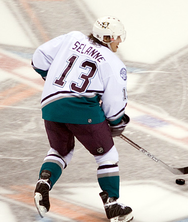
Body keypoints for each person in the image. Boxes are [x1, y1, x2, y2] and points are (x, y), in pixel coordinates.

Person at [32, 15, 133, 222]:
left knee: (60, 150)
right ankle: (113, 206)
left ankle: (43, 184)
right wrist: (116, 124)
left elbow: (39, 58)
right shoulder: (113, 63)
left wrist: (52, 79)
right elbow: (114, 107)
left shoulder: (73, 37)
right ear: (108, 37)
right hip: (83, 112)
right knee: (107, 155)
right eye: (117, 38)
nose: (120, 42)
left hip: (51, 106)